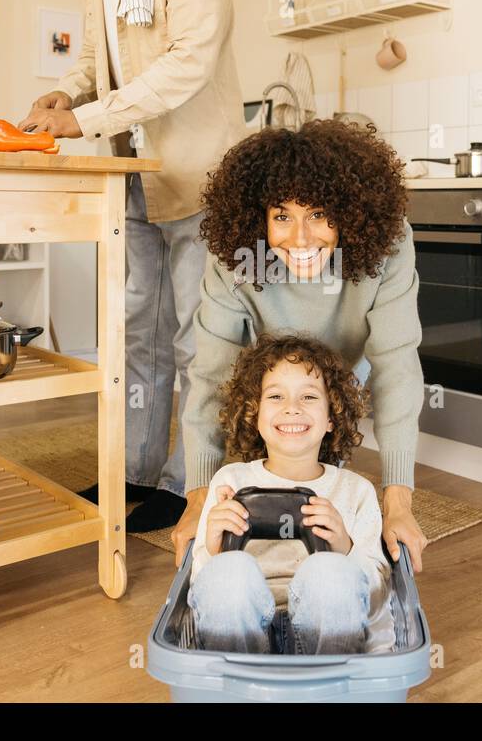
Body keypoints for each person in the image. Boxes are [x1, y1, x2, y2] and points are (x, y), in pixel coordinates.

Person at [19, 0, 246, 531]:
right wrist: (65, 93)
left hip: (201, 179)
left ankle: (191, 484)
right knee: (136, 334)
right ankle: (135, 474)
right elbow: (96, 60)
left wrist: (83, 118)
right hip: (135, 179)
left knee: (200, 342)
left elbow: (189, 61)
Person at [173, 120, 430, 569]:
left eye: (318, 214)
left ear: (349, 212)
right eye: (282, 216)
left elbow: (397, 367)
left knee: (326, 492)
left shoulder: (388, 244)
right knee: (263, 479)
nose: (301, 238)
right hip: (269, 372)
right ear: (259, 218)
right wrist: (198, 497)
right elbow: (211, 376)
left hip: (344, 372)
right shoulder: (235, 256)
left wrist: (397, 502)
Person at [189, 334, 394, 654]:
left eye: (309, 397)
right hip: (243, 634)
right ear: (254, 413)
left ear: (331, 417)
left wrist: (346, 548)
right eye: (275, 397)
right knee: (228, 573)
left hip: (325, 639)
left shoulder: (356, 491)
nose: (292, 408)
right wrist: (214, 550)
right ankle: (240, 676)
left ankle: (326, 677)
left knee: (329, 571)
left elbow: (379, 595)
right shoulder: (230, 481)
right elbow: (201, 589)